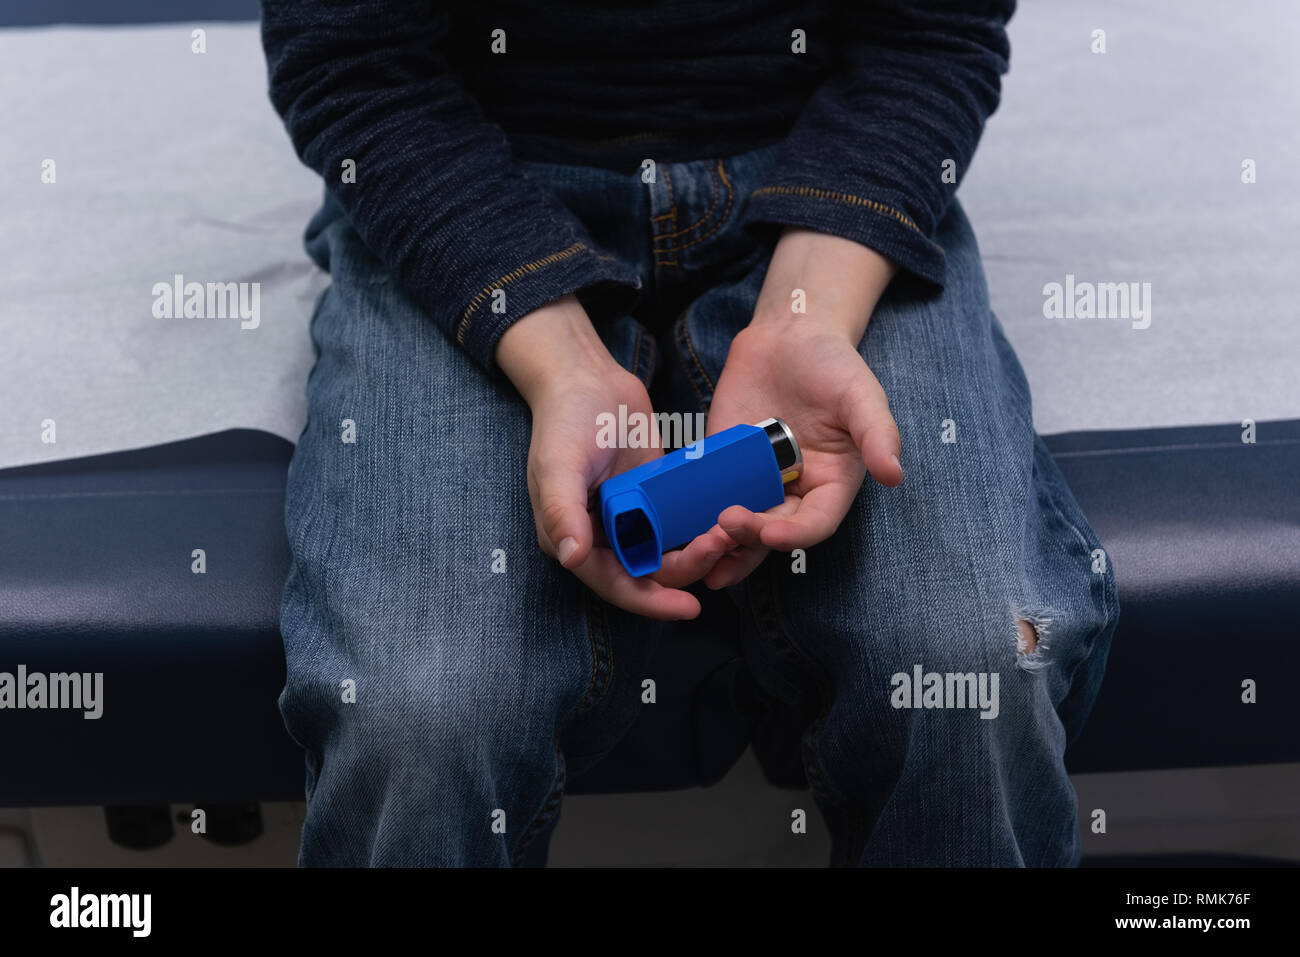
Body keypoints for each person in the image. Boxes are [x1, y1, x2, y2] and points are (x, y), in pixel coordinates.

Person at [261, 0, 1119, 866]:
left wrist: (809, 312)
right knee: (420, 714)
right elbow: (351, 61)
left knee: (970, 666)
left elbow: (934, 31)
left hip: (833, 175)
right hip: (453, 182)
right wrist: (553, 353)